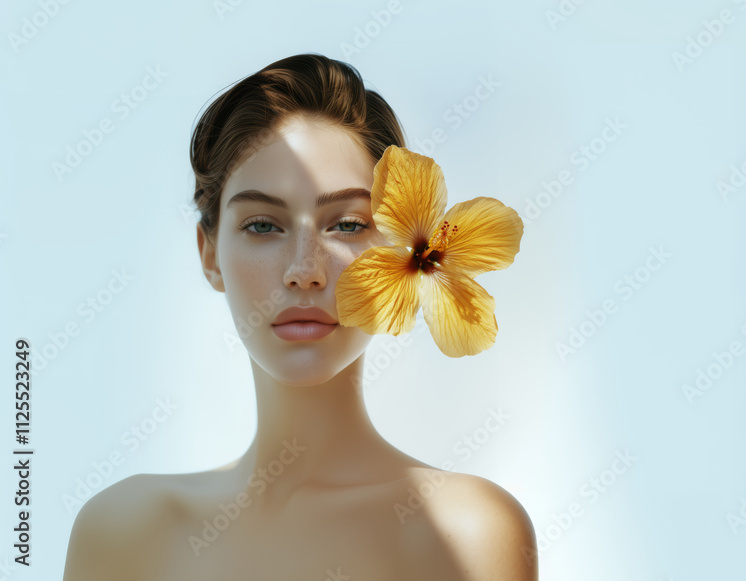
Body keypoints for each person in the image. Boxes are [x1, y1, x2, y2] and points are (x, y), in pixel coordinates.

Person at [62, 53, 538, 581]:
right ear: (210, 254)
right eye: (264, 226)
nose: (303, 271)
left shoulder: (468, 531)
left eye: (348, 224)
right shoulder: (125, 531)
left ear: (399, 246)